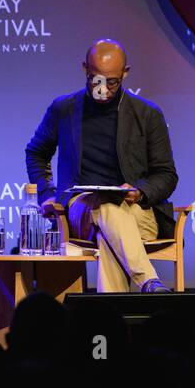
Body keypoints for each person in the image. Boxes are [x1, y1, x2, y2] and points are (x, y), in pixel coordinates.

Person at [24, 38, 179, 293]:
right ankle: (148, 282)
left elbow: (166, 174)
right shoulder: (64, 109)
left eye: (112, 81)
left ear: (125, 73)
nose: (103, 89)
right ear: (85, 69)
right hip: (81, 210)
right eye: (96, 80)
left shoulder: (147, 114)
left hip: (137, 213)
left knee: (108, 233)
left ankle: (109, 325)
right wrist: (47, 194)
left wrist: (140, 191)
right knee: (104, 203)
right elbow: (36, 152)